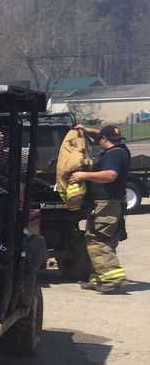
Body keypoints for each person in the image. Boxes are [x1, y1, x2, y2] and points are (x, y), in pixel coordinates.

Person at [70, 124, 130, 293]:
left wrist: (84, 175)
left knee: (98, 241)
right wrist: (86, 129)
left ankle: (112, 280)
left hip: (106, 204)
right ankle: (99, 278)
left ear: (105, 140)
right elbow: (101, 136)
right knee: (100, 239)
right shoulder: (121, 148)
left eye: (100, 139)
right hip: (109, 204)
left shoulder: (114, 155)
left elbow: (110, 175)